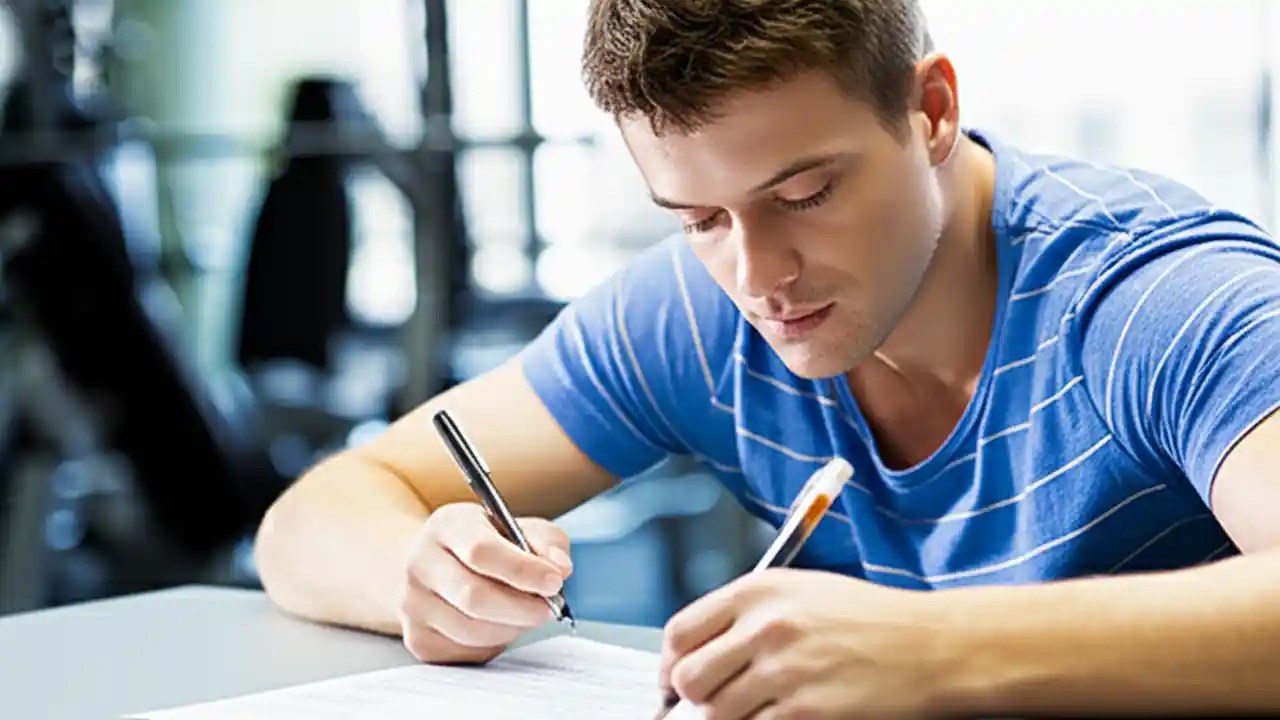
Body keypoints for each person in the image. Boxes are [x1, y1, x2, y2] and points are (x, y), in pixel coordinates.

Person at [254, 1, 1280, 717]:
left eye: (805, 195)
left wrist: (928, 649)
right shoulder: (698, 311)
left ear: (929, 111)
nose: (759, 278)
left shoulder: (1156, 301)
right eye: (698, 216)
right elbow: (318, 514)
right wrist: (426, 579)